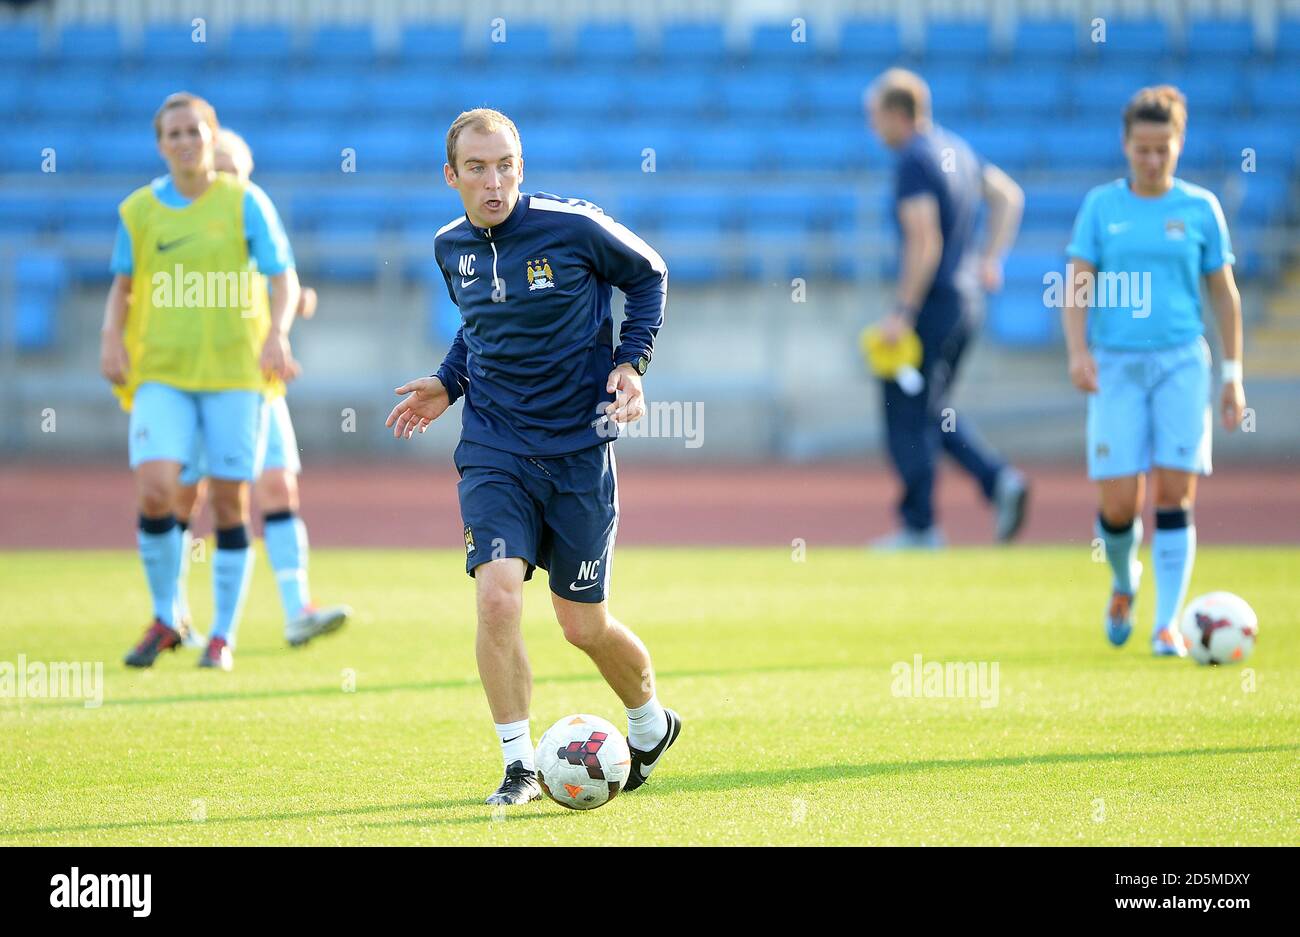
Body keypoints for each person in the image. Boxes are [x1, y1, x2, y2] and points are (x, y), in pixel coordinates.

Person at [387, 108, 680, 805]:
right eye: (479, 168)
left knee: (582, 624)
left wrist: (632, 364)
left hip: (579, 448)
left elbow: (650, 275)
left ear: (522, 167)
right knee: (496, 598)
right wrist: (448, 383)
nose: (495, 182)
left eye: (506, 166)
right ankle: (519, 765)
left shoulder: (573, 227)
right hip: (495, 448)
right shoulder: (448, 246)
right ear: (451, 175)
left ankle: (650, 721)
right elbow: (477, 326)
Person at [100, 92, 300, 671]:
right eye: (174, 134)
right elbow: (122, 284)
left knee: (230, 501)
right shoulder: (138, 210)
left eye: (195, 131)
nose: (186, 142)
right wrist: (110, 337)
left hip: (236, 375)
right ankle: (168, 615)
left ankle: (222, 634)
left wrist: (277, 334)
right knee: (157, 488)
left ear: (212, 137)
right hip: (161, 372)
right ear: (161, 145)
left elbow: (283, 279)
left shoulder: (245, 203)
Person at [1063, 85, 1245, 656]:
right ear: (1126, 145)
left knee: (1174, 490)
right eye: (1142, 148)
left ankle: (1168, 624)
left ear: (1179, 144)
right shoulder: (1102, 206)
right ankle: (1124, 581)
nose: (1152, 158)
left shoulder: (1199, 209)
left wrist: (1233, 372)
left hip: (1180, 364)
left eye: (1162, 148)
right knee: (1119, 503)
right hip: (1116, 364)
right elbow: (1077, 284)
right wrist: (1078, 350)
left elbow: (1225, 294)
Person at [171, 128, 350, 650]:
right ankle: (174, 613)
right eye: (218, 167)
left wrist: (293, 307)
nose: (226, 178)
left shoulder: (253, 221)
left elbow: (278, 284)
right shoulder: (191, 234)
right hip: (207, 386)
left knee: (279, 490)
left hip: (260, 387)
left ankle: (297, 610)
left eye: (234, 170)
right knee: (192, 496)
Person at [865, 68, 1030, 548]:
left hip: (932, 303)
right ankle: (998, 481)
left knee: (905, 410)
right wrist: (990, 259)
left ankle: (920, 528)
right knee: (931, 410)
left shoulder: (914, 160)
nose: (873, 127)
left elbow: (924, 239)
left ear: (898, 114)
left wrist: (901, 310)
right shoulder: (955, 149)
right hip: (966, 302)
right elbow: (1008, 196)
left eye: (876, 116)